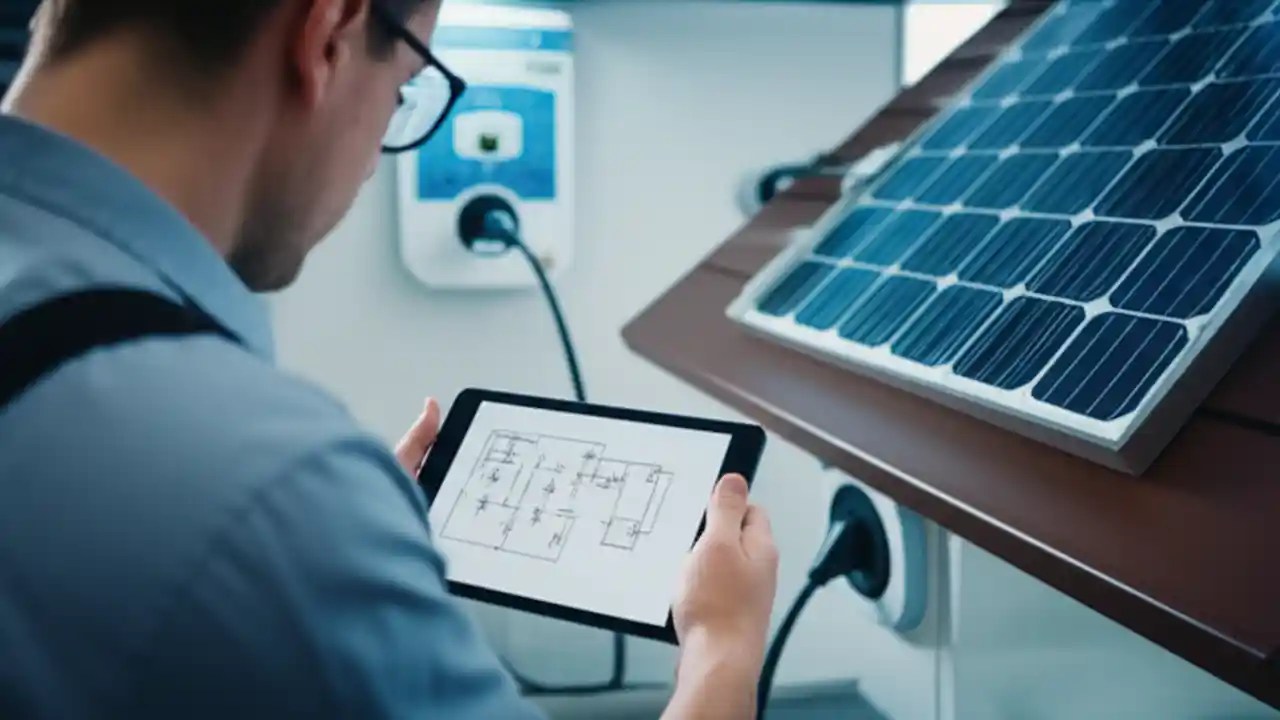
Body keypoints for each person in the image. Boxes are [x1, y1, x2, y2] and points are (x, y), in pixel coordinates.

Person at [0, 1, 779, 718]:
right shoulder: (264, 486)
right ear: (328, 33)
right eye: (406, 87)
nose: (375, 159)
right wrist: (724, 647)